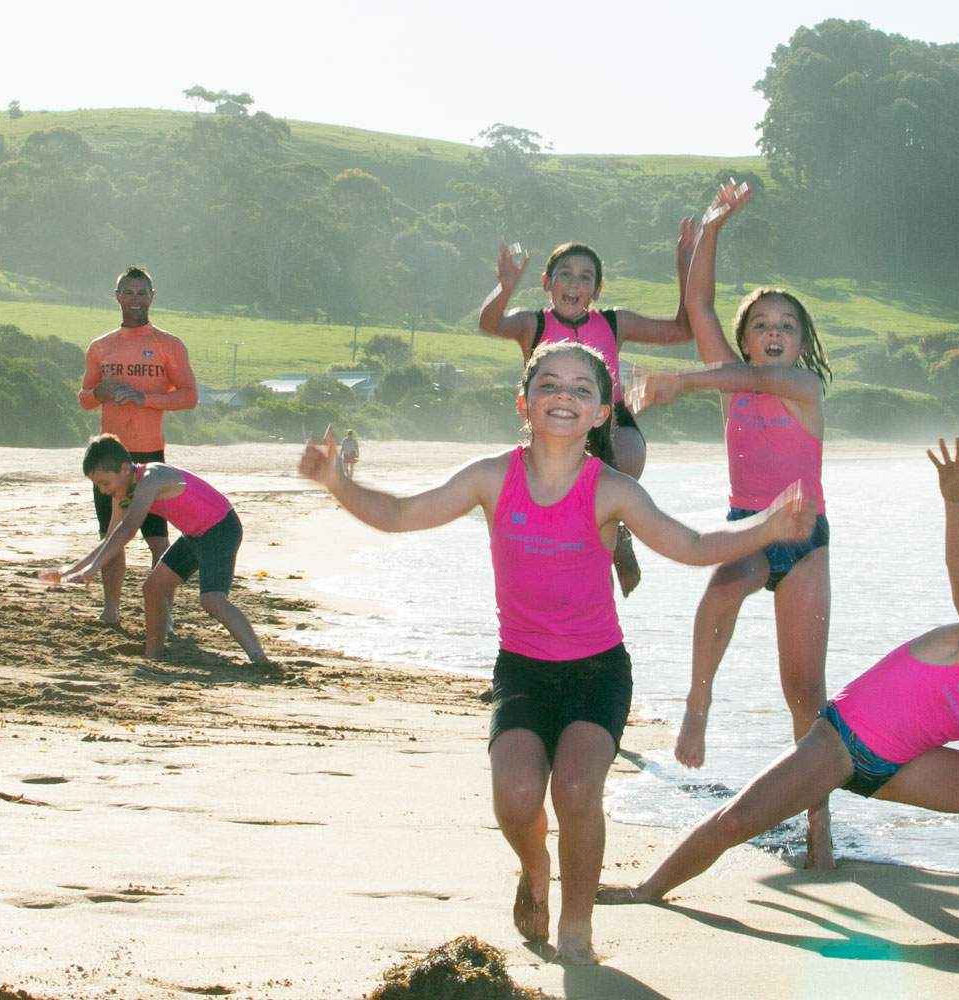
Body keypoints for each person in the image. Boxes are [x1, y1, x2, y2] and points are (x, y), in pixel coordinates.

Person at [297, 341, 815, 964]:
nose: (563, 395)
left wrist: (767, 526)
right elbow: (403, 512)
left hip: (598, 671)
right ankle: (535, 863)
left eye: (581, 388)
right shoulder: (493, 477)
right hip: (521, 671)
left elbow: (693, 542)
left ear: (601, 414)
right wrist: (337, 481)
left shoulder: (612, 491)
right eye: (548, 384)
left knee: (575, 789)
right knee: (515, 799)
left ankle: (577, 925)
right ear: (524, 402)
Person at [598, 439, 959, 939]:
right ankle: (649, 889)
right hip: (839, 743)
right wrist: (955, 502)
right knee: (740, 821)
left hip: (899, 769)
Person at [628, 180, 835, 868]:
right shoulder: (733, 374)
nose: (773, 334)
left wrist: (679, 382)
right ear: (746, 336)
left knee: (804, 693)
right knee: (721, 589)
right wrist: (712, 228)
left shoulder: (804, 388)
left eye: (786, 326)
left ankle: (819, 818)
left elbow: (745, 382)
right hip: (751, 527)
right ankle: (697, 703)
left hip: (804, 540)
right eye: (762, 325)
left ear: (801, 343)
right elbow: (698, 306)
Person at [476, 223, 696, 596]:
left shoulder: (614, 322)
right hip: (553, 436)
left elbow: (681, 330)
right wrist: (506, 285)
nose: (575, 285)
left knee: (592, 516)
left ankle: (613, 528)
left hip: (613, 433)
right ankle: (600, 545)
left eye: (585, 278)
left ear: (597, 289)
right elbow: (490, 323)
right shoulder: (534, 324)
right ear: (547, 282)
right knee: (560, 538)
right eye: (565, 275)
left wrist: (685, 263)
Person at [41, 435, 267, 665]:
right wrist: (71, 571)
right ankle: (153, 655)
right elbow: (111, 539)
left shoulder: (151, 477)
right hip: (195, 535)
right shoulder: (124, 493)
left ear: (124, 468)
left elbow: (128, 529)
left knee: (212, 601)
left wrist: (90, 570)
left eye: (105, 483)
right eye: (97, 485)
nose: (102, 490)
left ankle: (261, 661)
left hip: (221, 528)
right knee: (153, 588)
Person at [77, 266, 197, 628]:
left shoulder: (168, 344)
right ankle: (111, 608)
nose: (135, 300)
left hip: (150, 455)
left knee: (157, 538)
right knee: (111, 535)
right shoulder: (101, 346)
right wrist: (100, 393)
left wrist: (142, 398)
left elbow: (189, 397)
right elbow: (84, 398)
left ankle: (165, 612)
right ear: (117, 296)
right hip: (110, 456)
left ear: (152, 297)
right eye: (128, 293)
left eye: (141, 293)